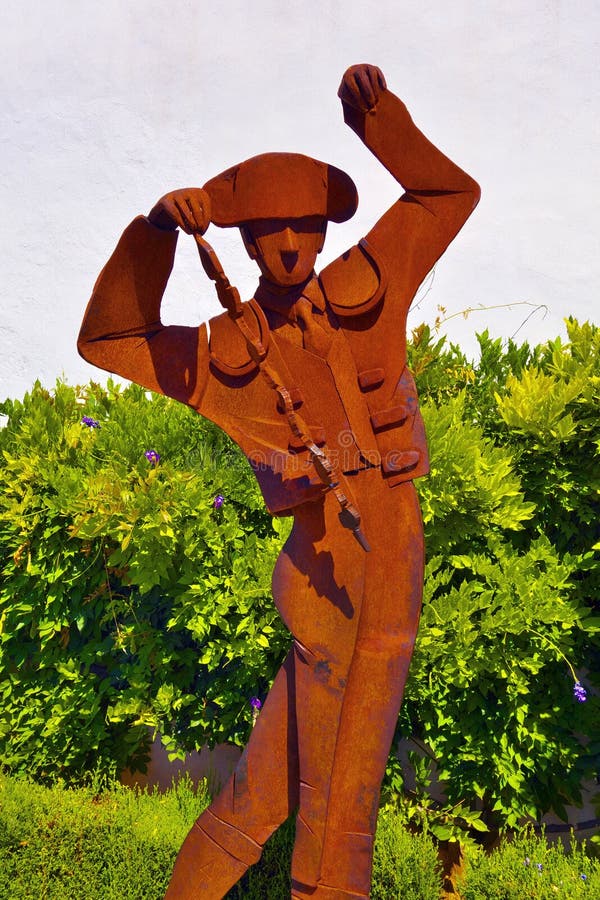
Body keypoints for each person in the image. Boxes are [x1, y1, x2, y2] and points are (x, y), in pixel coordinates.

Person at [78, 63, 480, 899]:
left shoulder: (372, 284)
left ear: (325, 231)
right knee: (344, 797)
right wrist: (155, 231)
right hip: (324, 568)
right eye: (268, 231)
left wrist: (382, 128)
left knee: (270, 792)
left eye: (303, 227)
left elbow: (448, 196)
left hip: (395, 544)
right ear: (247, 241)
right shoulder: (231, 351)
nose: (290, 245)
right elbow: (110, 336)